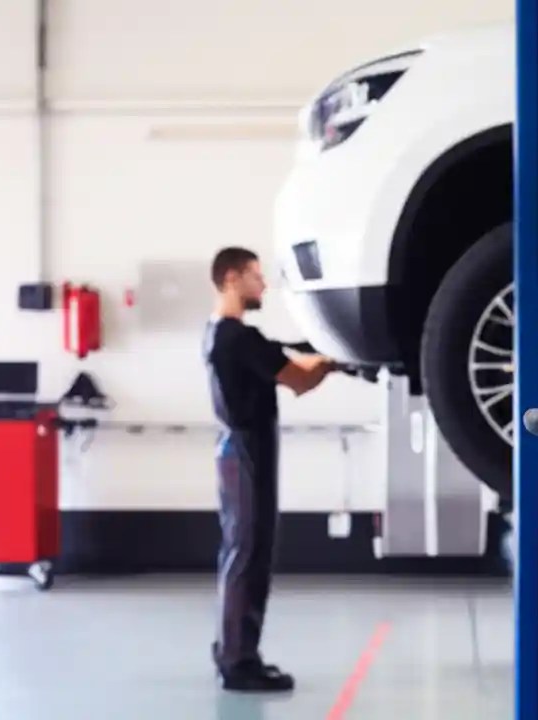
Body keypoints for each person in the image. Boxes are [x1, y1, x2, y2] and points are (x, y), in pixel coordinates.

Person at [204, 246, 335, 692]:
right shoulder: (238, 338)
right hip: (247, 456)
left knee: (240, 553)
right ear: (232, 279)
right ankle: (239, 662)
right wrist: (334, 359)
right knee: (248, 556)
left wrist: (310, 354)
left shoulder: (221, 334)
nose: (264, 285)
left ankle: (232, 649)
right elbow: (300, 379)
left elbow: (280, 353)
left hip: (236, 452)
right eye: (256, 277)